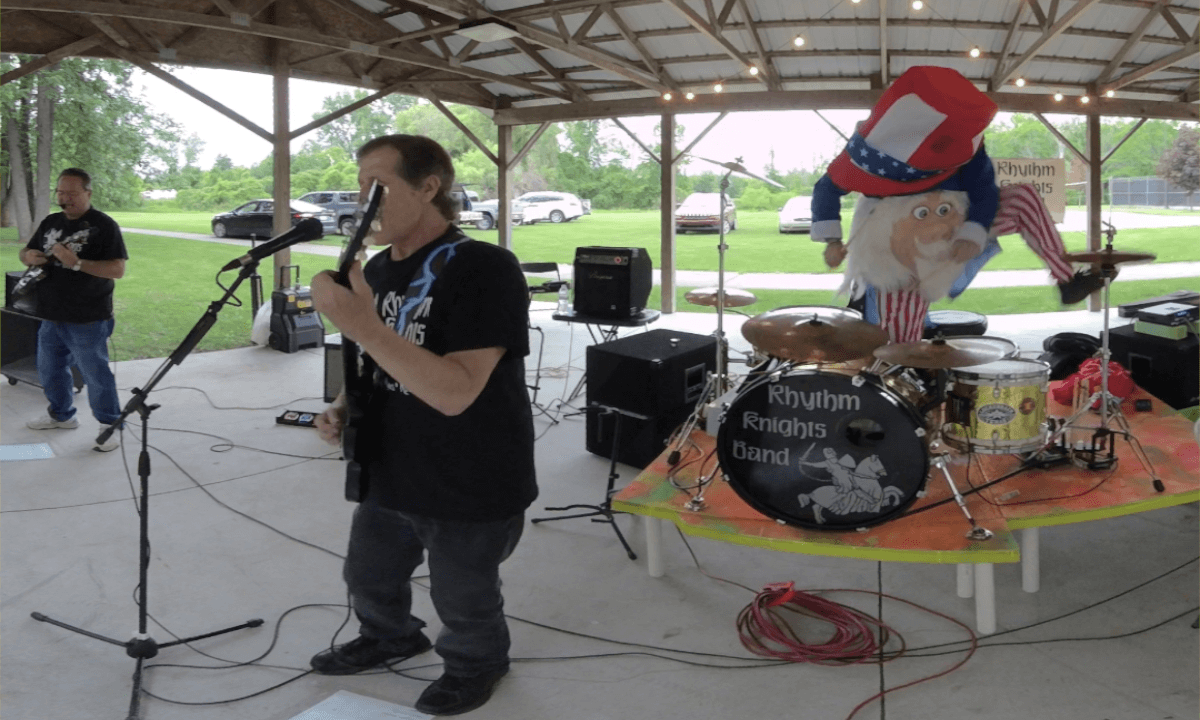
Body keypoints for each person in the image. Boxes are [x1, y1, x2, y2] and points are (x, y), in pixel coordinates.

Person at [308, 135, 537, 717]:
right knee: (367, 574)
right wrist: (343, 403)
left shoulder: (484, 268)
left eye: (376, 185)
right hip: (390, 461)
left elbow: (457, 392)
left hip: (470, 469)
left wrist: (360, 325)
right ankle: (390, 636)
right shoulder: (380, 269)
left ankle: (476, 664)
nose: (361, 199)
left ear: (429, 187)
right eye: (359, 184)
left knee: (464, 594)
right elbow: (379, 357)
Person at [809, 65, 1104, 343]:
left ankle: (1068, 281)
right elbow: (826, 189)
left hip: (952, 219)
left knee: (1022, 199)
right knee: (900, 333)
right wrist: (832, 240)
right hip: (898, 242)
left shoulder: (965, 141)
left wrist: (973, 230)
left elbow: (984, 190)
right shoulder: (868, 154)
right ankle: (897, 363)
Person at [19, 168, 127, 451]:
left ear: (88, 193)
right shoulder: (50, 221)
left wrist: (76, 262)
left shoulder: (104, 226)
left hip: (88, 316)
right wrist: (28, 256)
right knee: (50, 368)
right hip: (51, 313)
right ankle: (61, 415)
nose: (65, 198)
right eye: (61, 193)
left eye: (72, 193)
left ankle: (110, 425)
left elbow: (117, 269)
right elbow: (26, 252)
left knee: (95, 373)